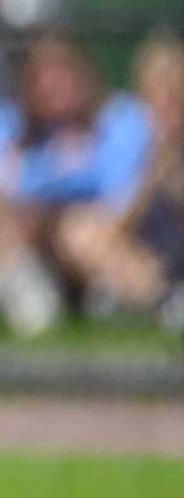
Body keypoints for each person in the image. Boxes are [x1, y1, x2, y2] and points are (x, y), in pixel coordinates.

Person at [0, 30, 150, 337]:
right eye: (44, 76)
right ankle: (14, 291)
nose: (55, 85)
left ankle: (151, 297)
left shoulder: (120, 117)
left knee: (77, 227)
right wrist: (48, 170)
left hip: (109, 234)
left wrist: (40, 177)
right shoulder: (11, 122)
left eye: (65, 72)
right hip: (29, 235)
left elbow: (118, 192)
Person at [54, 32, 184, 332]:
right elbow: (117, 222)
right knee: (79, 229)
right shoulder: (131, 136)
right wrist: (152, 175)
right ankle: (158, 300)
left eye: (175, 96)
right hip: (149, 258)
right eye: (158, 96)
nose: (167, 108)